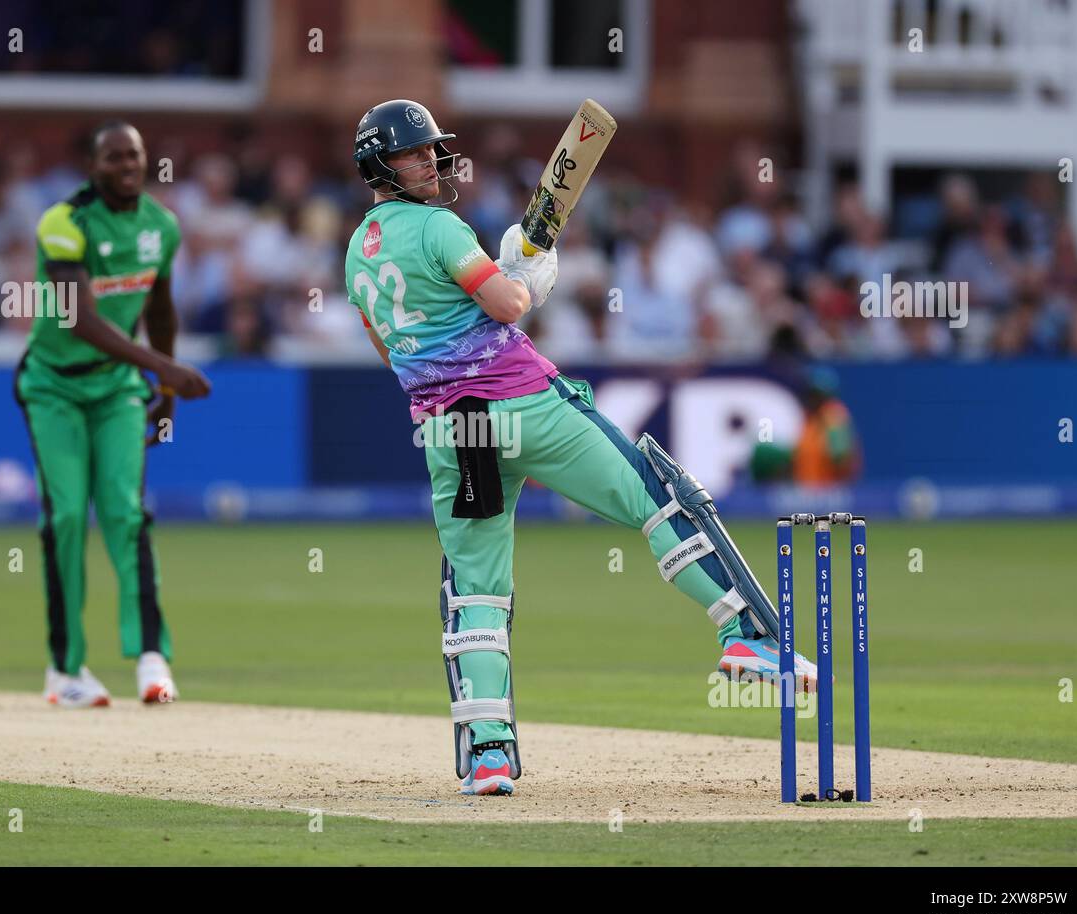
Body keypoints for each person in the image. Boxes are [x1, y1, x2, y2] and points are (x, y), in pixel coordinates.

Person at [344, 100, 814, 797]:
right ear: (384, 163)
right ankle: (746, 636)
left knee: (474, 589)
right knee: (659, 498)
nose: (433, 163)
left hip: (450, 428)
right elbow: (507, 306)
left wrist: (499, 283)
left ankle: (490, 758)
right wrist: (529, 278)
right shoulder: (440, 227)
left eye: (433, 152)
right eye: (417, 154)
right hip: (524, 404)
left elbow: (394, 354)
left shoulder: (357, 250)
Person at [15, 121, 211, 708]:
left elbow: (161, 308)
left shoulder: (162, 225)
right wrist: (164, 368)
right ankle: (65, 670)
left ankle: (152, 659)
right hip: (53, 386)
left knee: (126, 511)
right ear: (93, 165)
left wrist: (166, 388)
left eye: (135, 156)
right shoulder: (63, 223)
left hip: (118, 389)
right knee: (69, 515)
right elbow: (80, 320)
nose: (127, 166)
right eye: (114, 157)